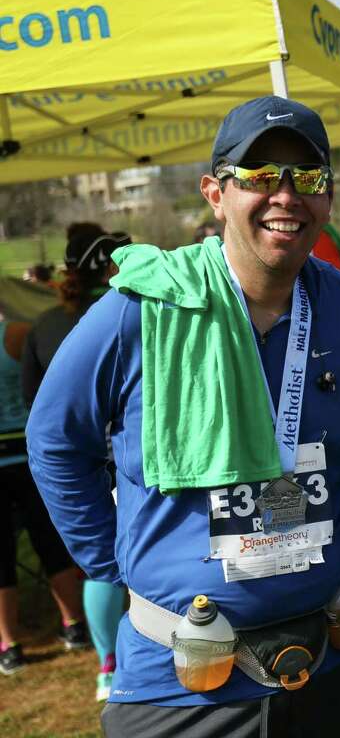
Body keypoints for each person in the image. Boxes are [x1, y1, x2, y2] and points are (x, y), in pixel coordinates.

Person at [26, 95, 340, 736]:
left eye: (307, 178)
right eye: (257, 176)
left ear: (327, 198)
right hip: (183, 686)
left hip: (330, 666)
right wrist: (111, 563)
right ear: (215, 194)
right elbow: (56, 440)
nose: (286, 195)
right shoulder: (141, 309)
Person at [21, 222, 131, 700]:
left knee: (100, 566)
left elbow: (34, 407)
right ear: (109, 263)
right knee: (131, 559)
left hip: (77, 464)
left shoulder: (44, 324)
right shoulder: (126, 310)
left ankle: (107, 666)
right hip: (131, 461)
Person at [0, 315, 90, 677]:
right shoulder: (18, 333)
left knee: (2, 557)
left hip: (19, 457)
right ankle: (74, 624)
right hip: (29, 455)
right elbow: (37, 388)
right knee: (50, 540)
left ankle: (10, 646)